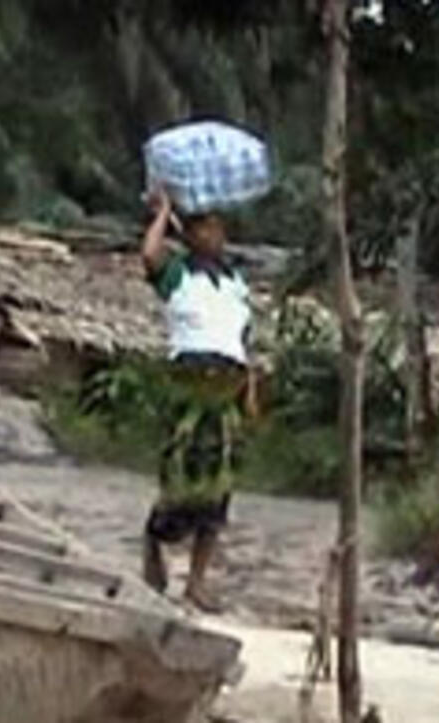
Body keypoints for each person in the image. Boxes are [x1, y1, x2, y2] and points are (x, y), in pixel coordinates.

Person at [139, 187, 256, 613]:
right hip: (190, 386)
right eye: (205, 228)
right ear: (188, 235)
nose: (215, 235)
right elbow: (149, 257)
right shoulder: (177, 275)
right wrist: (162, 215)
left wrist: (251, 389)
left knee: (219, 491)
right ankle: (153, 548)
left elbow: (244, 339)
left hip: (226, 389)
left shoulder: (234, 283)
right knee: (179, 481)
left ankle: (198, 581)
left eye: (218, 228)